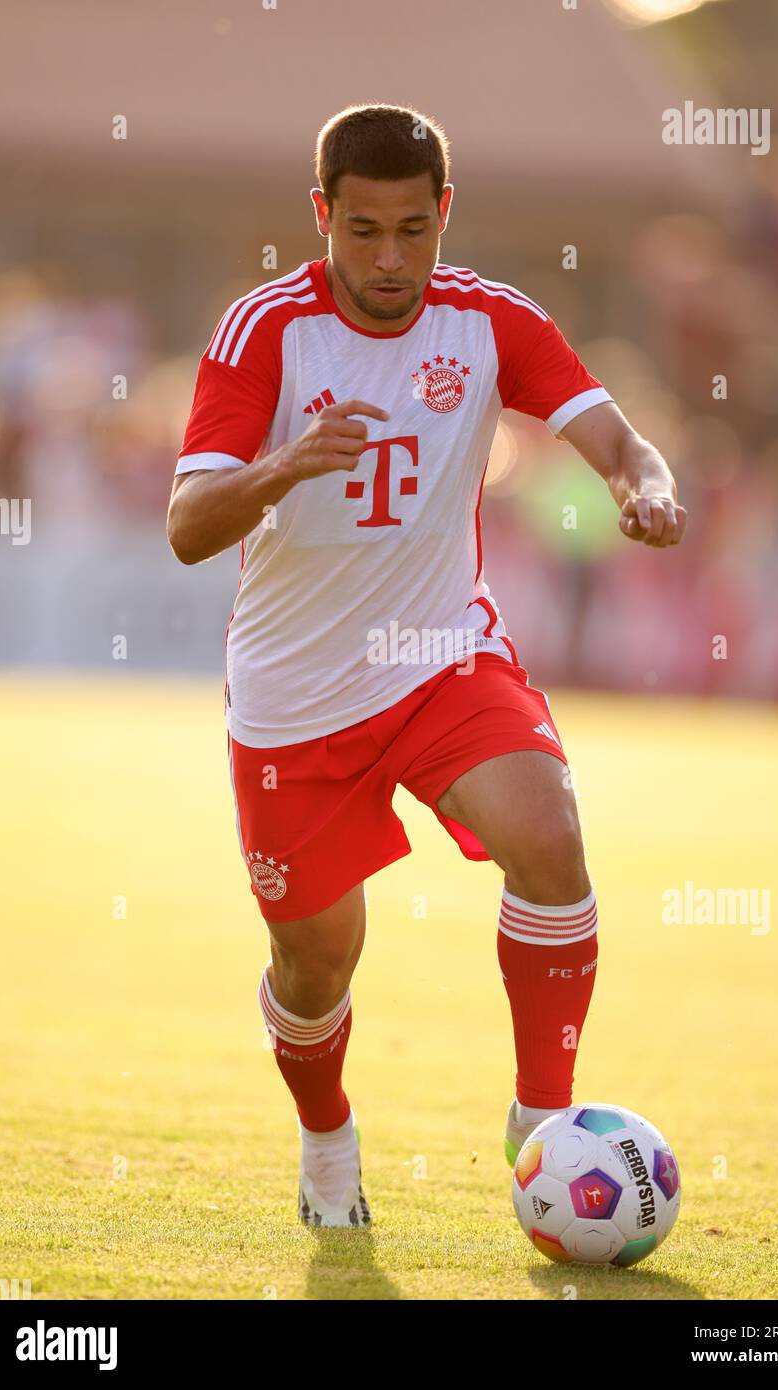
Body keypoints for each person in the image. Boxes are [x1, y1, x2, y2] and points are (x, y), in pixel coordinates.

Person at [167, 103, 687, 1227]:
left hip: (439, 655)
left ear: (445, 213)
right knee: (315, 965)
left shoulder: (491, 320)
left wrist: (641, 484)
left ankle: (540, 1126)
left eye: (413, 228)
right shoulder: (262, 330)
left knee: (547, 835)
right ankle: (325, 1143)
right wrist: (285, 465)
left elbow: (612, 434)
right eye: (363, 231)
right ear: (322, 217)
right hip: (294, 692)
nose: (389, 259)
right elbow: (188, 524)